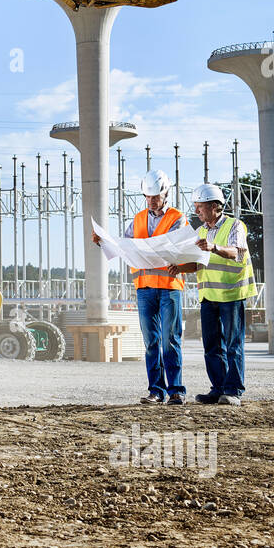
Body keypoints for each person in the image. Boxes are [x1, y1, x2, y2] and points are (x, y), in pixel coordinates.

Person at [95, 169, 186, 404]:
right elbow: (123, 246)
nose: (152, 201)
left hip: (169, 287)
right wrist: (103, 242)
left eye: (156, 196)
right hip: (144, 288)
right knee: (151, 342)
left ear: (165, 193)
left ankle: (176, 390)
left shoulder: (177, 217)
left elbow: (174, 248)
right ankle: (156, 390)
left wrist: (145, 248)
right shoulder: (137, 219)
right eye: (148, 197)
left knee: (170, 340)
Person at [174, 183, 256, 405]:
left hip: (231, 294)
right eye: (196, 207)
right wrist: (180, 267)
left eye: (200, 207)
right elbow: (198, 264)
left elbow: (237, 253)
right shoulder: (200, 231)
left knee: (233, 344)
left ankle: (233, 390)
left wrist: (214, 248)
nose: (197, 211)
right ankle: (218, 388)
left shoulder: (235, 226)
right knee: (211, 345)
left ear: (214, 206)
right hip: (209, 296)